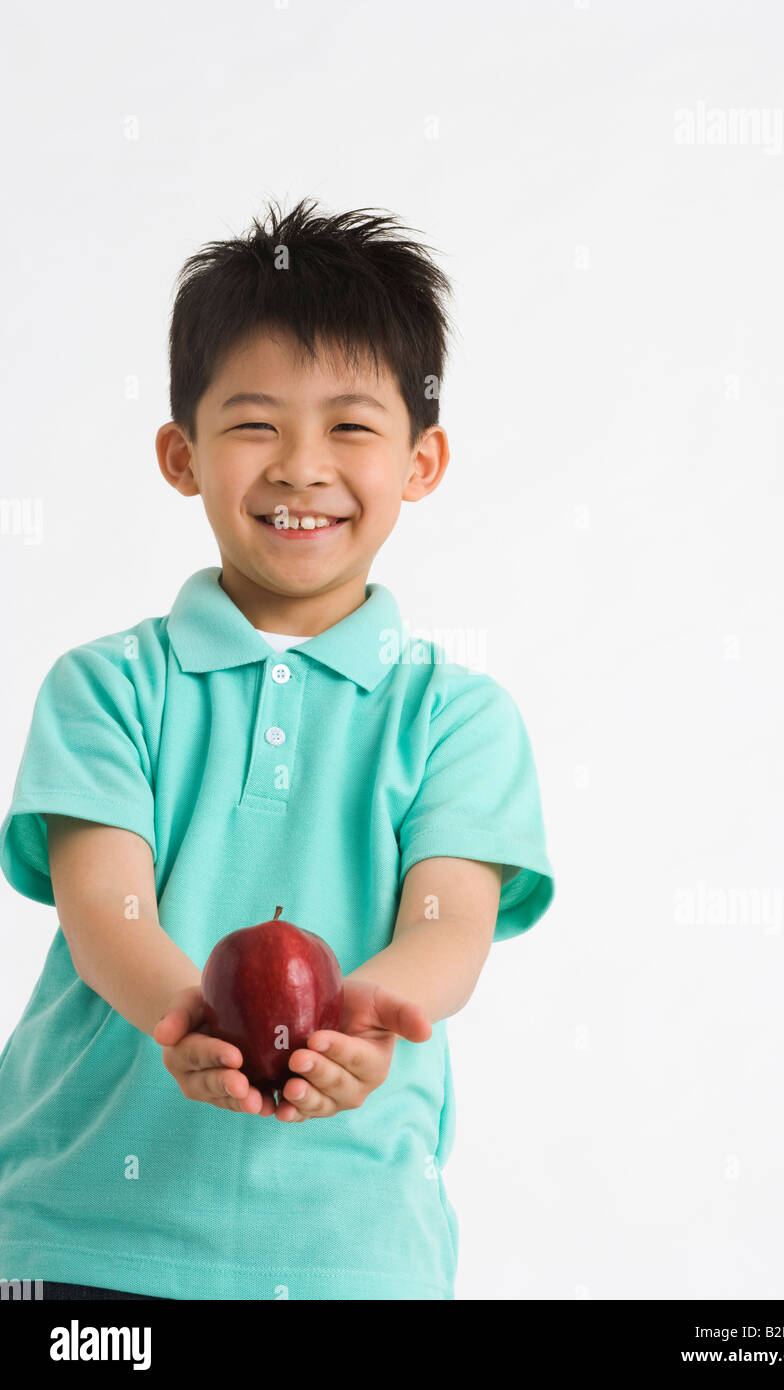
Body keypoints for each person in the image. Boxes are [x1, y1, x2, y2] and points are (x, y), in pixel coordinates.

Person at [0, 197, 555, 1300]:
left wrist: (366, 1013)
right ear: (180, 453)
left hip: (353, 1256)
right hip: (80, 1236)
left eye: (350, 426)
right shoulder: (107, 685)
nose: (302, 467)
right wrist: (186, 1012)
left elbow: (445, 924)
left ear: (422, 459)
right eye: (255, 423)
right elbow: (105, 909)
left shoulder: (456, 715)